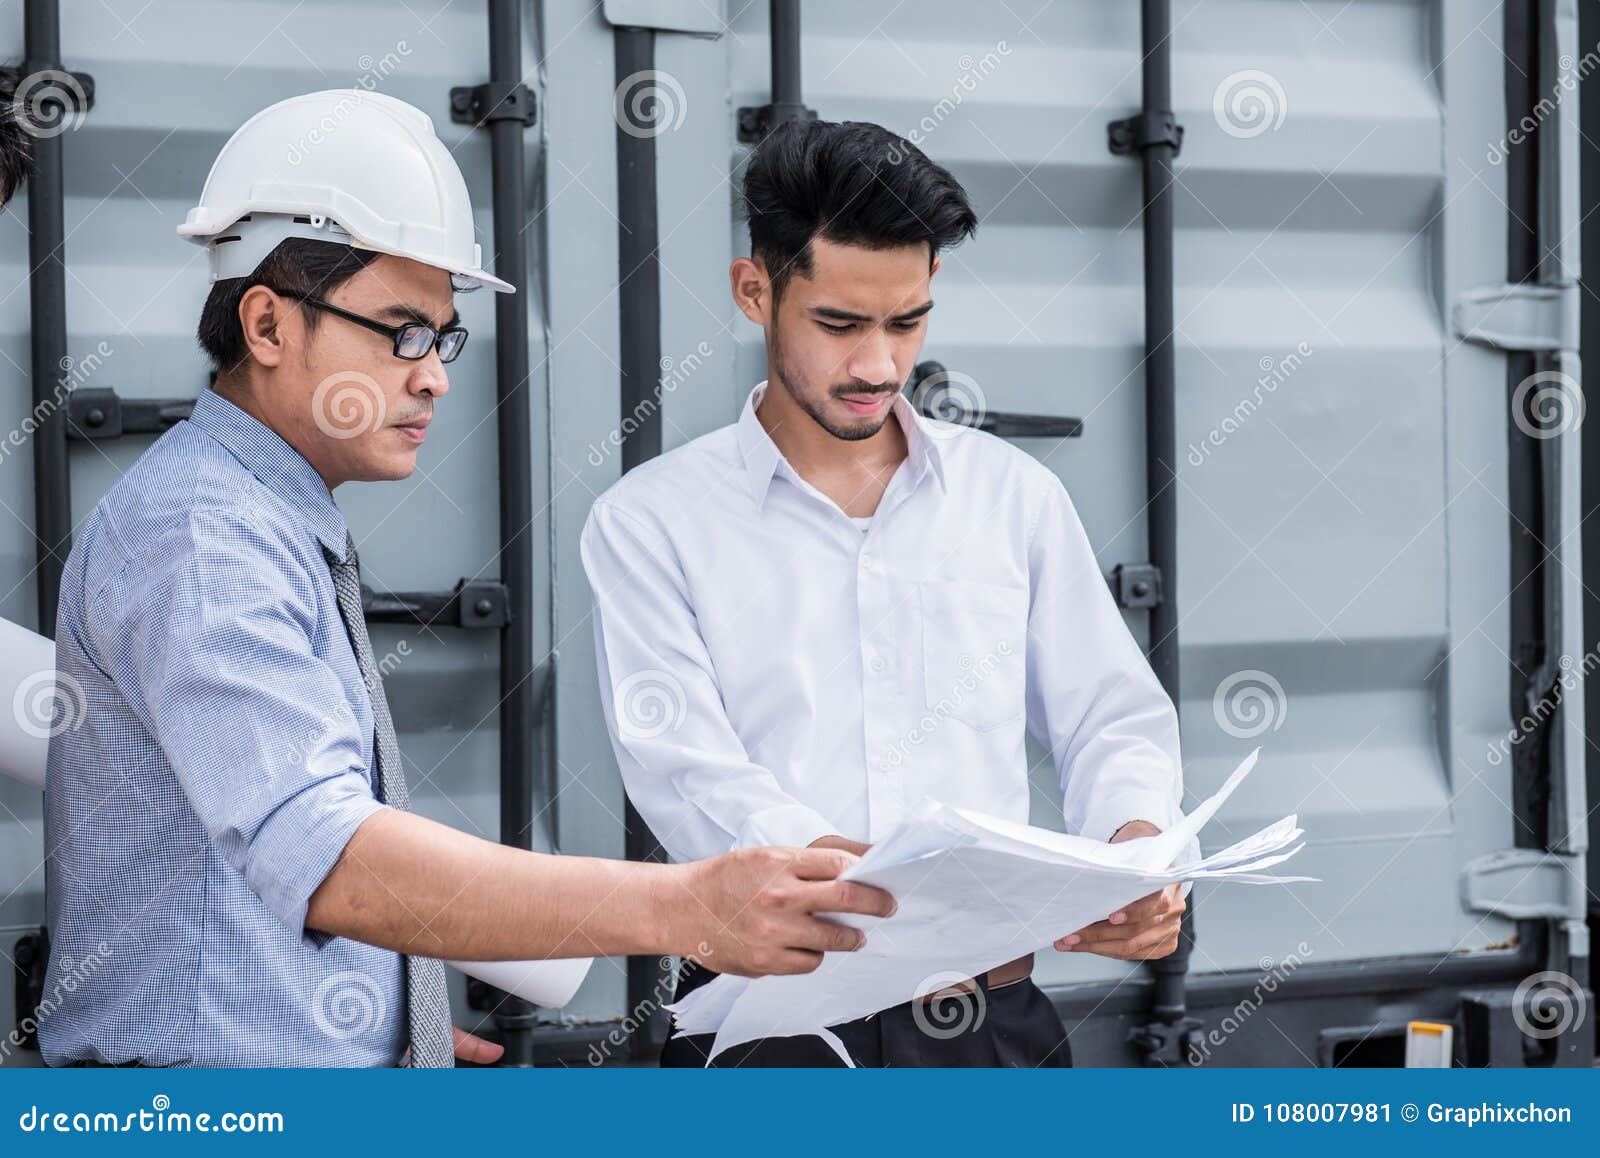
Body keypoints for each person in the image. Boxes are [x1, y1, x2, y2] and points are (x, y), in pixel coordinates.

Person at [41, 92, 892, 1069]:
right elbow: (323, 854)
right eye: (401, 331)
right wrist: (687, 907)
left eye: (442, 339)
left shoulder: (267, 514)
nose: (435, 375)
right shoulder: (206, 535)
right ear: (268, 326)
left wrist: (367, 1012)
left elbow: (231, 855)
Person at [582, 119, 1196, 1067]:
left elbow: (1108, 719)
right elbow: (687, 774)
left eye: (905, 322)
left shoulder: (1013, 497)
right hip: (775, 1034)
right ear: (756, 291)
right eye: (839, 324)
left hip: (995, 1035)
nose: (876, 365)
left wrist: (1138, 856)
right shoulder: (650, 522)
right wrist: (882, 887)